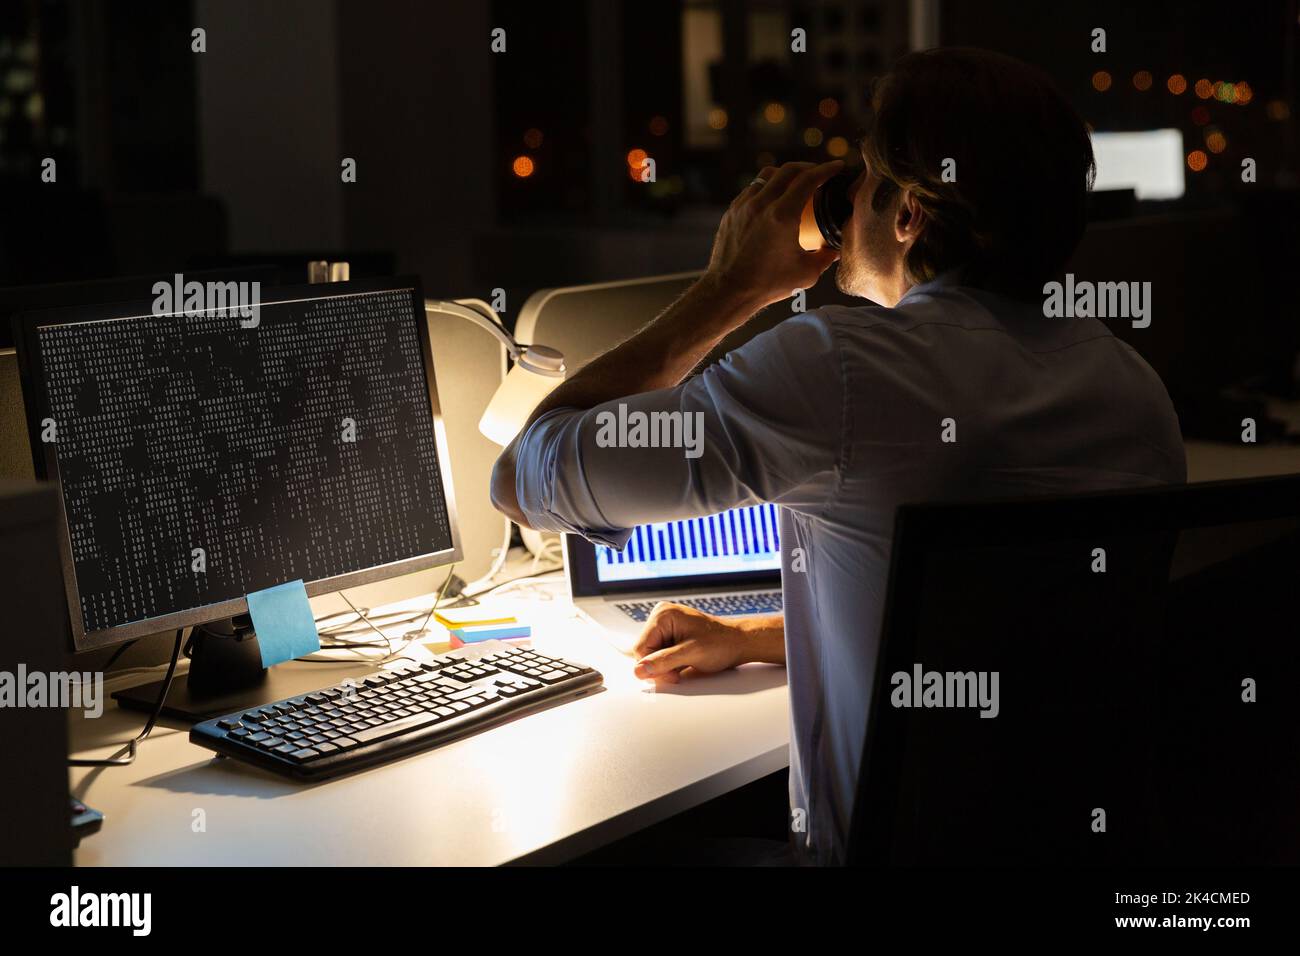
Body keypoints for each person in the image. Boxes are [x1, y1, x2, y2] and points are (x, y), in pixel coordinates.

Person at [490, 47, 1186, 865]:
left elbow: (526, 477)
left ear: (907, 215)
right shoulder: (1134, 390)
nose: (846, 201)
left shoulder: (842, 367)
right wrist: (756, 636)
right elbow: (996, 635)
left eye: (862, 177)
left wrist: (733, 286)